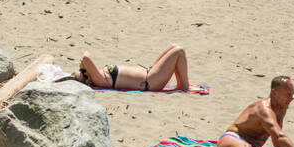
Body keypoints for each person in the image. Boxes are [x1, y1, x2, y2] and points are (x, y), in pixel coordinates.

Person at [70, 44, 201, 93]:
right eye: (82, 74)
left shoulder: (97, 75)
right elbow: (86, 57)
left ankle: (181, 83)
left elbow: (85, 58)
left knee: (174, 46)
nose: (83, 71)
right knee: (179, 51)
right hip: (150, 81)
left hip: (150, 72)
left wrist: (83, 69)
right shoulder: (99, 80)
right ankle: (184, 86)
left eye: (82, 70)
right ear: (87, 82)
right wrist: (83, 66)